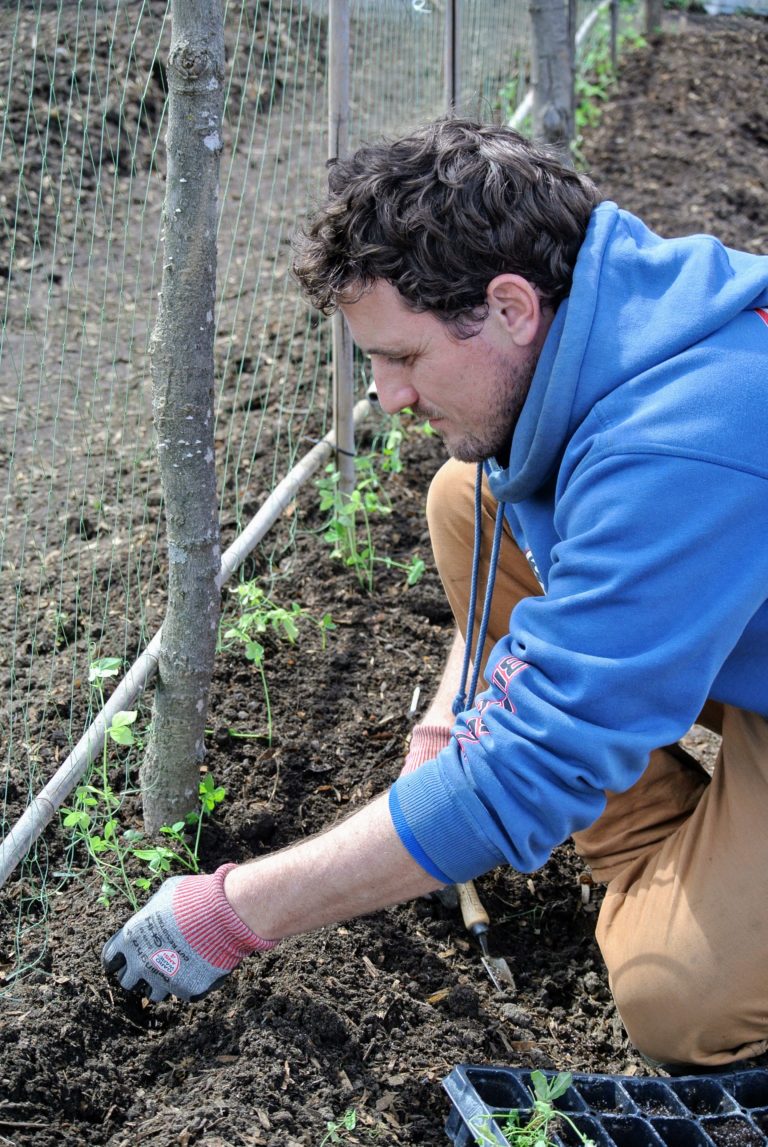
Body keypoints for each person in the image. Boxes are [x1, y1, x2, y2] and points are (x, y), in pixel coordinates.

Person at [102, 118, 768, 1073]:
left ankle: (677, 899)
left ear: (508, 306)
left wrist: (234, 910)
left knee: (679, 1004)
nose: (389, 395)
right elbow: (511, 502)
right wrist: (464, 696)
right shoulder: (618, 318)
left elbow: (523, 770)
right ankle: (666, 867)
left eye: (404, 358)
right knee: (467, 495)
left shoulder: (682, 440)